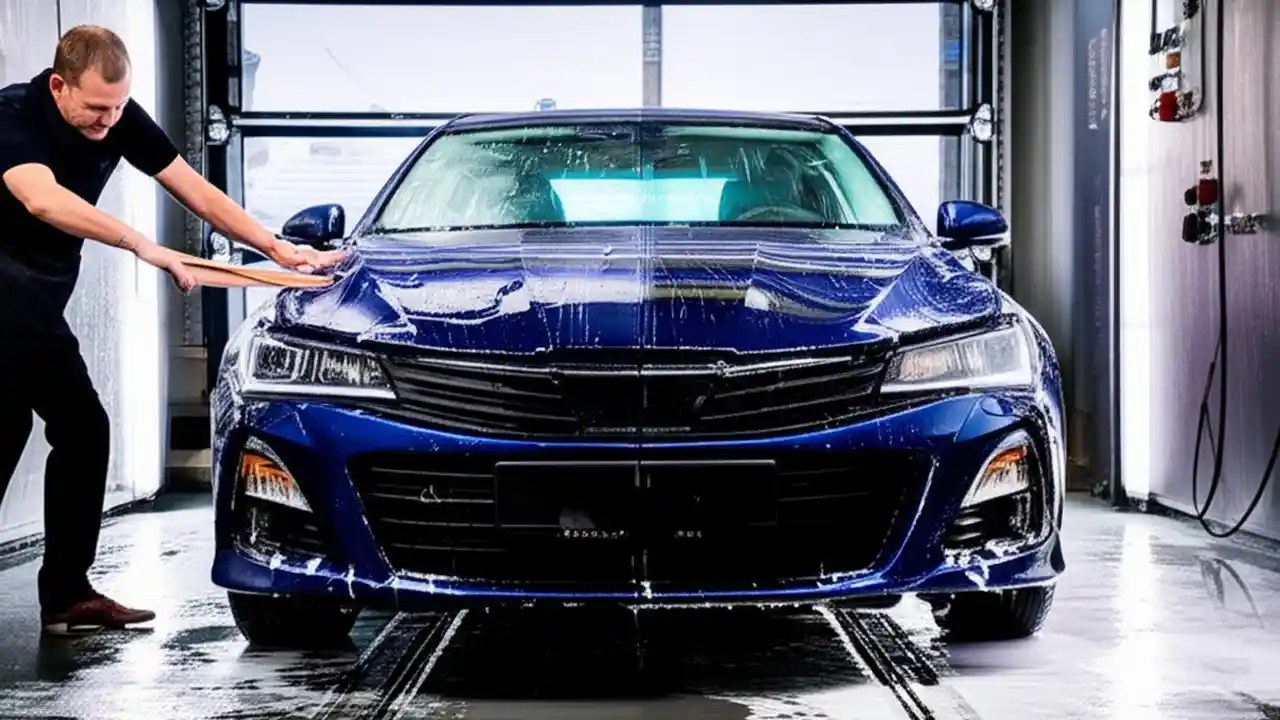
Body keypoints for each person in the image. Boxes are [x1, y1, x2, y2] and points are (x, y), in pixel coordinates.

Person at [0, 25, 343, 635]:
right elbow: (41, 199)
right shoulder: (13, 115)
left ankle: (65, 597)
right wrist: (143, 245)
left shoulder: (119, 113)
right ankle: (67, 595)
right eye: (98, 108)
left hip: (35, 299)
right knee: (81, 426)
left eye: (119, 106)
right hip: (5, 293)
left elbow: (195, 190)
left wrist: (276, 249)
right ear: (59, 86)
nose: (110, 120)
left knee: (20, 427)